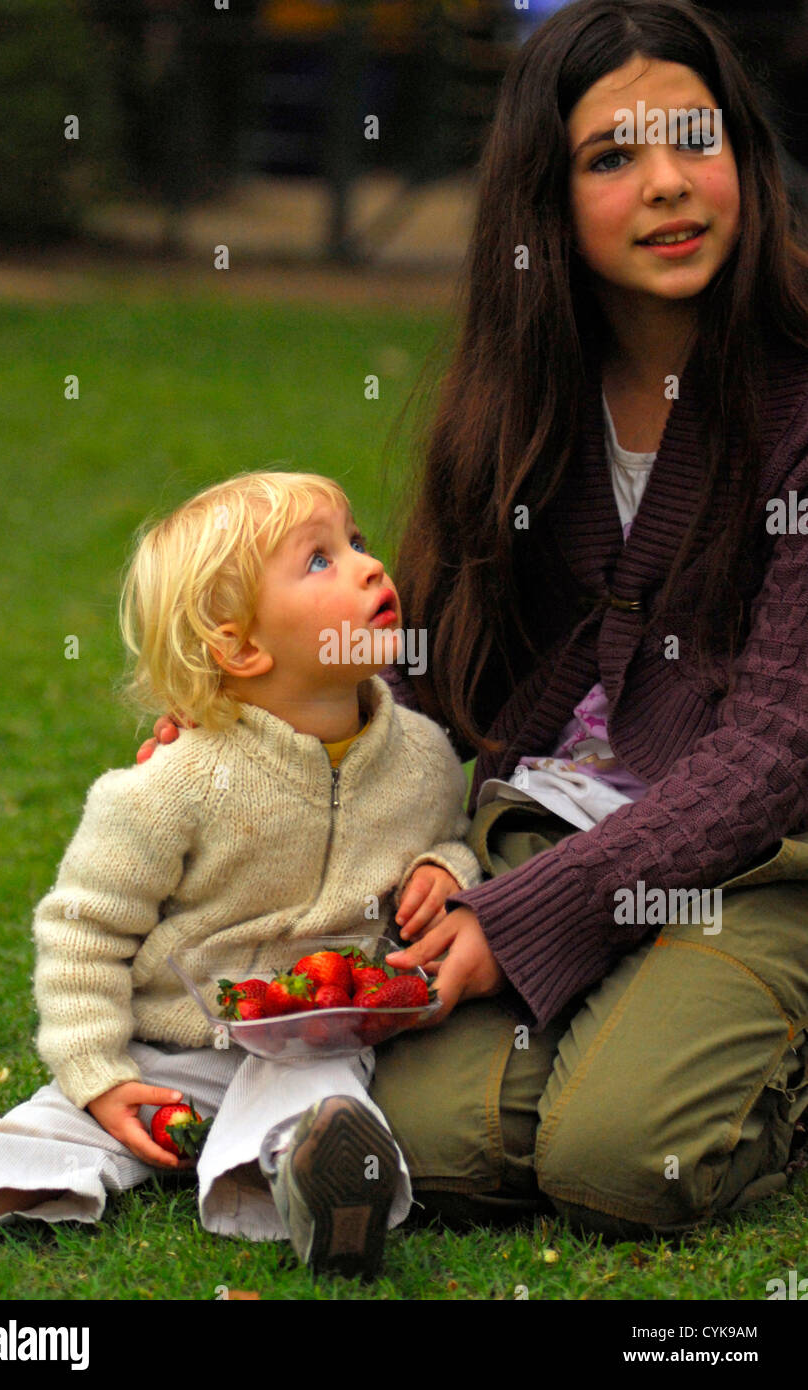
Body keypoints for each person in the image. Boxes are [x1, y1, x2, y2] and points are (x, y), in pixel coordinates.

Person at [146, 0, 808, 1243]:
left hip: (768, 859)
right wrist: (242, 738)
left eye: (694, 141)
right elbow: (444, 686)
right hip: (552, 831)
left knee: (622, 1163)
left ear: (745, 159)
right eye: (612, 157)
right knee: (435, 1151)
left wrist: (528, 927)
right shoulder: (521, 402)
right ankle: (642, 1025)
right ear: (543, 202)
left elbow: (775, 752)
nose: (668, 185)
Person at [0, 471, 483, 1280]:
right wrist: (96, 1074)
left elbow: (450, 835)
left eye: (359, 544)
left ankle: (321, 1193)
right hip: (168, 1047)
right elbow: (83, 927)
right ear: (240, 647)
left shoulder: (424, 757)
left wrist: (449, 867)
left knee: (324, 1115)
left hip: (317, 1041)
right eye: (320, 561)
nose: (371, 567)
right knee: (37, 1142)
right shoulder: (175, 783)